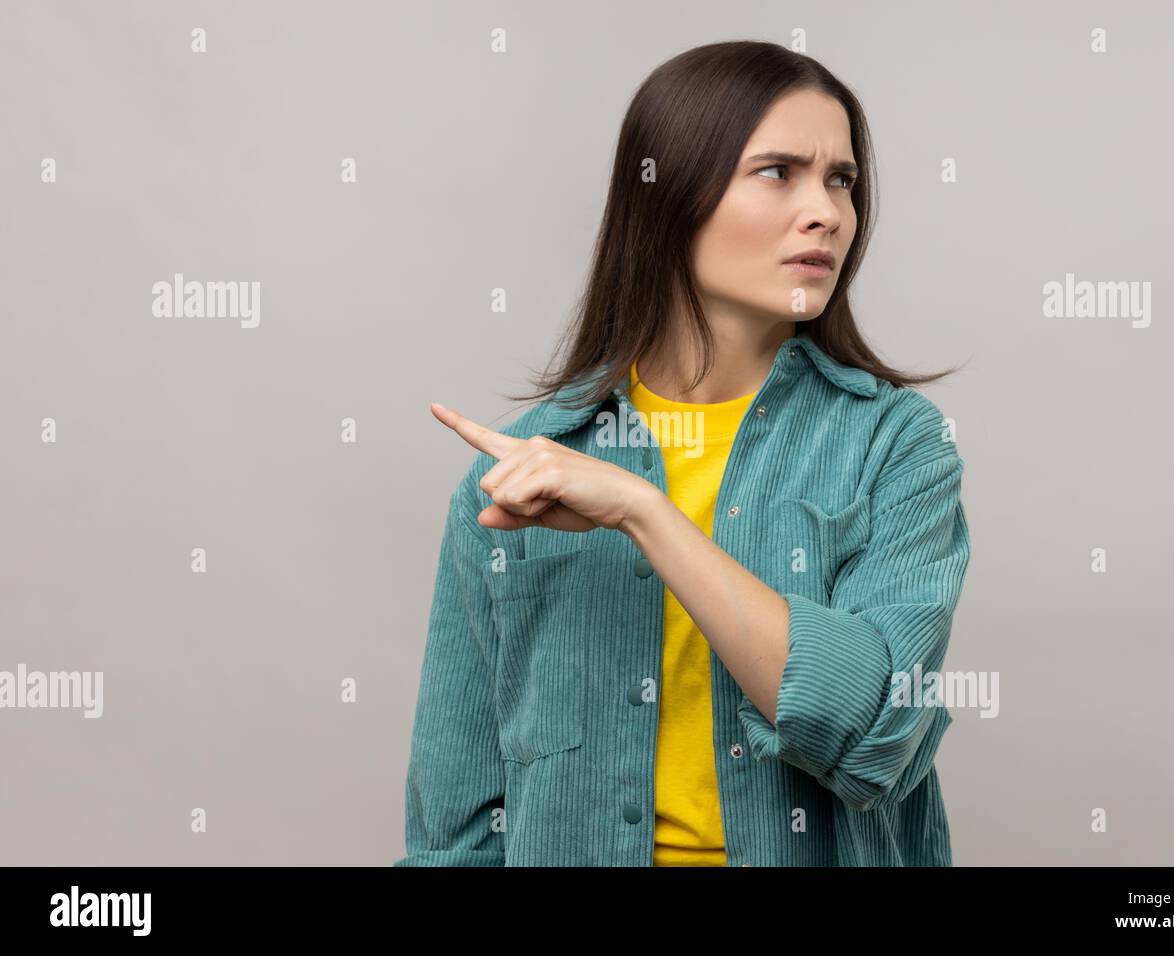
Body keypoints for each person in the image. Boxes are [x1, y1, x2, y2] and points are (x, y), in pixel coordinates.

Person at [397, 39, 971, 867]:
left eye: (840, 179)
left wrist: (643, 512)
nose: (828, 213)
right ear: (670, 195)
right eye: (779, 172)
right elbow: (453, 828)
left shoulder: (896, 446)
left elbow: (873, 729)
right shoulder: (523, 470)